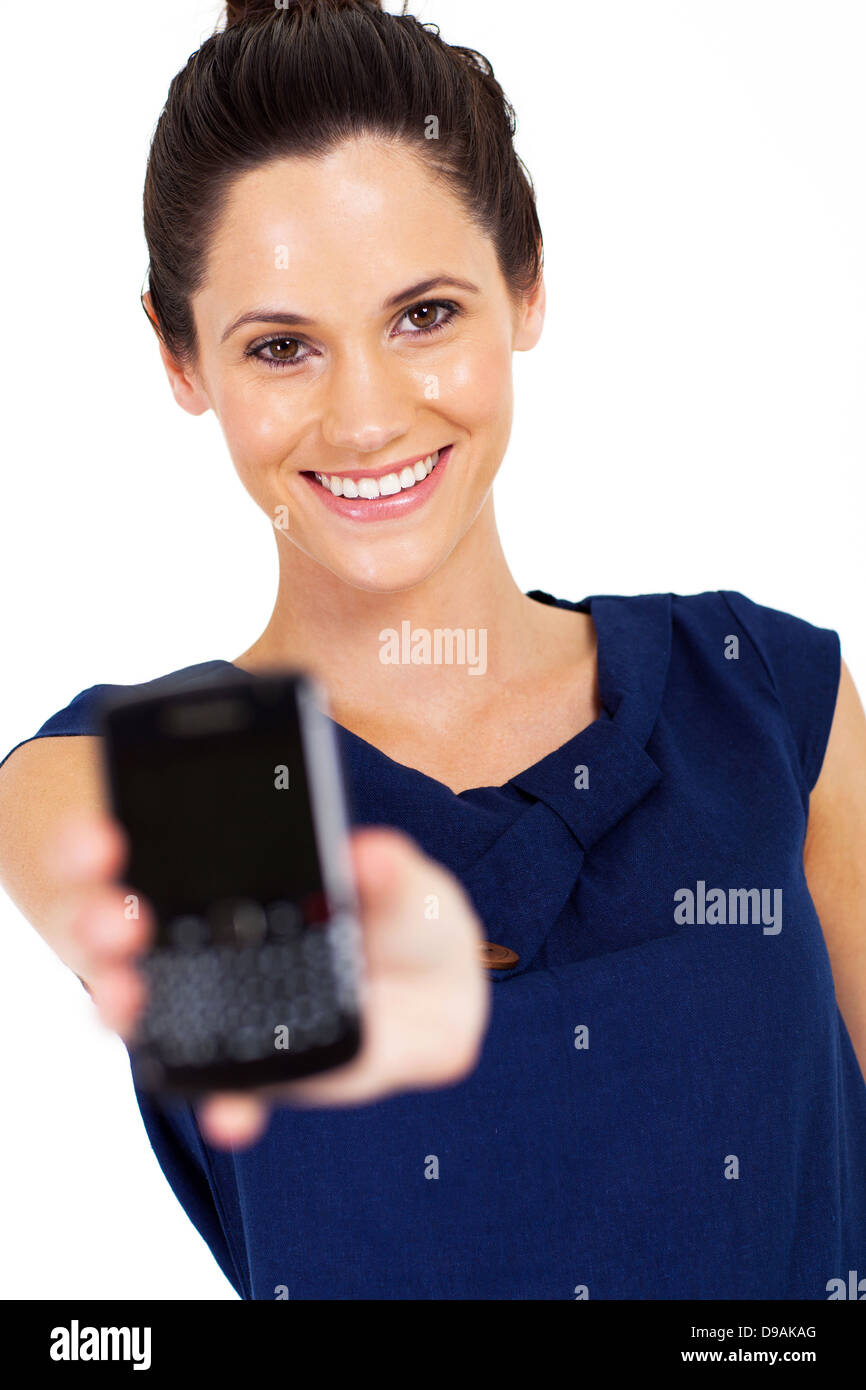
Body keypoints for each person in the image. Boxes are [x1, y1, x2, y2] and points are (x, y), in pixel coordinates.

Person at [1, 0, 865, 1300]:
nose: (363, 416)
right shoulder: (110, 780)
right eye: (281, 346)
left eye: (422, 314)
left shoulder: (764, 701)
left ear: (525, 284)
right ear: (179, 358)